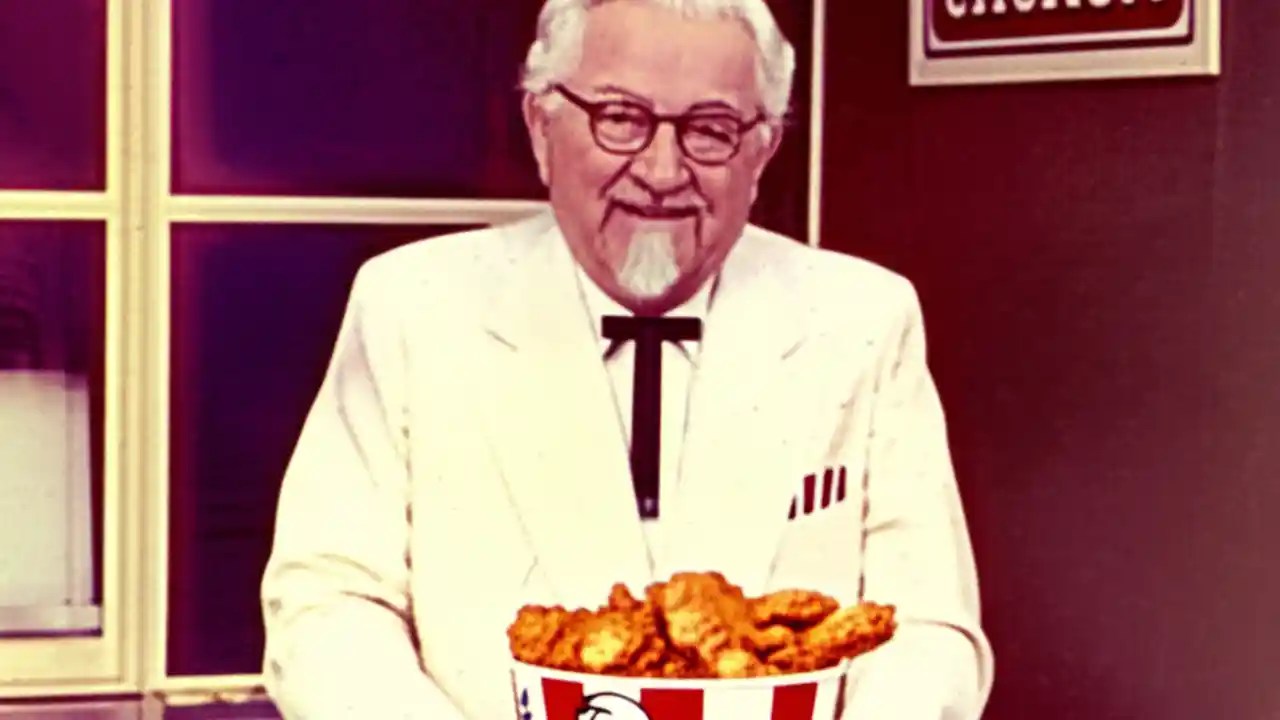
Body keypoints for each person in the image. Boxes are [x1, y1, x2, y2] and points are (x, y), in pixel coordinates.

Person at [259, 0, 994, 718]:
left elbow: (931, 628)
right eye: (620, 119)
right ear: (542, 127)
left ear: (763, 151)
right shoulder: (411, 305)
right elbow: (327, 605)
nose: (663, 170)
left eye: (711, 130)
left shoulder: (864, 316)